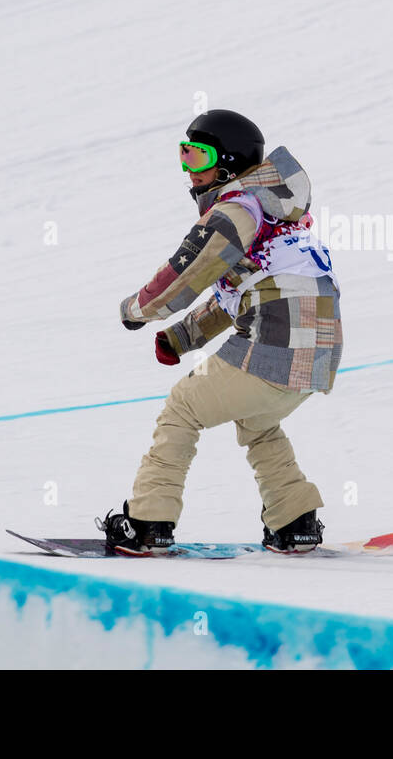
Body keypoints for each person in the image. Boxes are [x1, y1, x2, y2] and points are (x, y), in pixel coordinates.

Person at [99, 109, 342, 555]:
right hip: (318, 356)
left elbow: (187, 271)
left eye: (197, 156)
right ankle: (294, 521)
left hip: (275, 343)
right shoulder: (276, 217)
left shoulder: (235, 210)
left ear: (227, 162)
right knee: (259, 420)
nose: (188, 170)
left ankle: (148, 523)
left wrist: (137, 310)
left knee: (183, 406)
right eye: (183, 155)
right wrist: (182, 337)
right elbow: (247, 291)